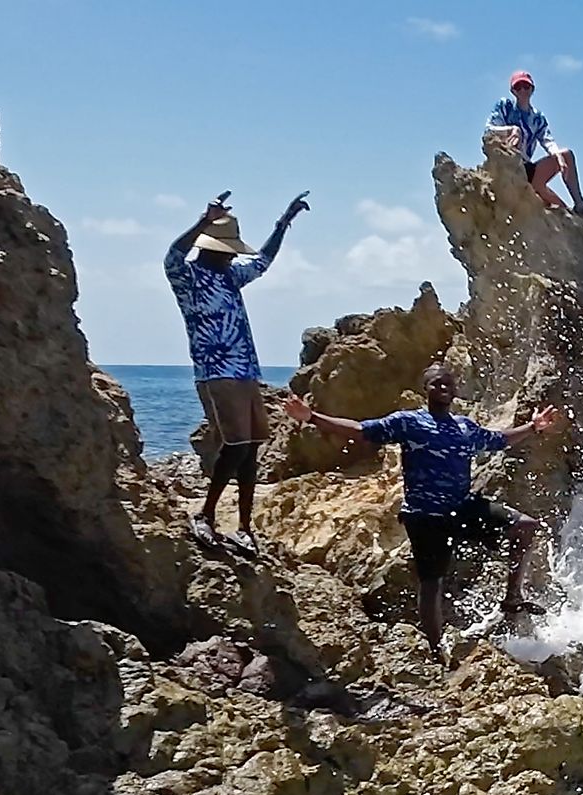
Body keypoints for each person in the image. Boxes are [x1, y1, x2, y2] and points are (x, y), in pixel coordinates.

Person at [281, 364, 561, 658]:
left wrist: (533, 427)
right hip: (425, 515)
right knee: (432, 583)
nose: (443, 388)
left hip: (462, 507)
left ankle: (513, 598)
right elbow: (361, 430)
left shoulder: (464, 426)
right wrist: (311, 417)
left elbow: (499, 440)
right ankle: (436, 649)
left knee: (525, 526)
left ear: (455, 390)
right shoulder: (409, 422)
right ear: (424, 390)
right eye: (435, 384)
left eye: (448, 384)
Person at [166, 189, 309, 556]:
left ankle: (245, 527)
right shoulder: (190, 277)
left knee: (252, 447)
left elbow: (263, 261)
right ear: (210, 247)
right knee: (235, 444)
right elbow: (172, 255)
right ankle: (206, 515)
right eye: (225, 250)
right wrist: (203, 221)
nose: (231, 257)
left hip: (245, 370)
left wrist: (283, 223)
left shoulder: (230, 277)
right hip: (216, 371)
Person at [487, 70, 583, 227]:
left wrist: (558, 157)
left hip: (527, 168)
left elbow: (547, 140)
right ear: (513, 91)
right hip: (509, 166)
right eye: (518, 87)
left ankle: (580, 206)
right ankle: (556, 207)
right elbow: (490, 128)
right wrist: (511, 130)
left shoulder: (537, 117)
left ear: (532, 89)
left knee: (566, 154)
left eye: (526, 86)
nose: (522, 90)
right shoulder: (505, 106)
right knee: (543, 193)